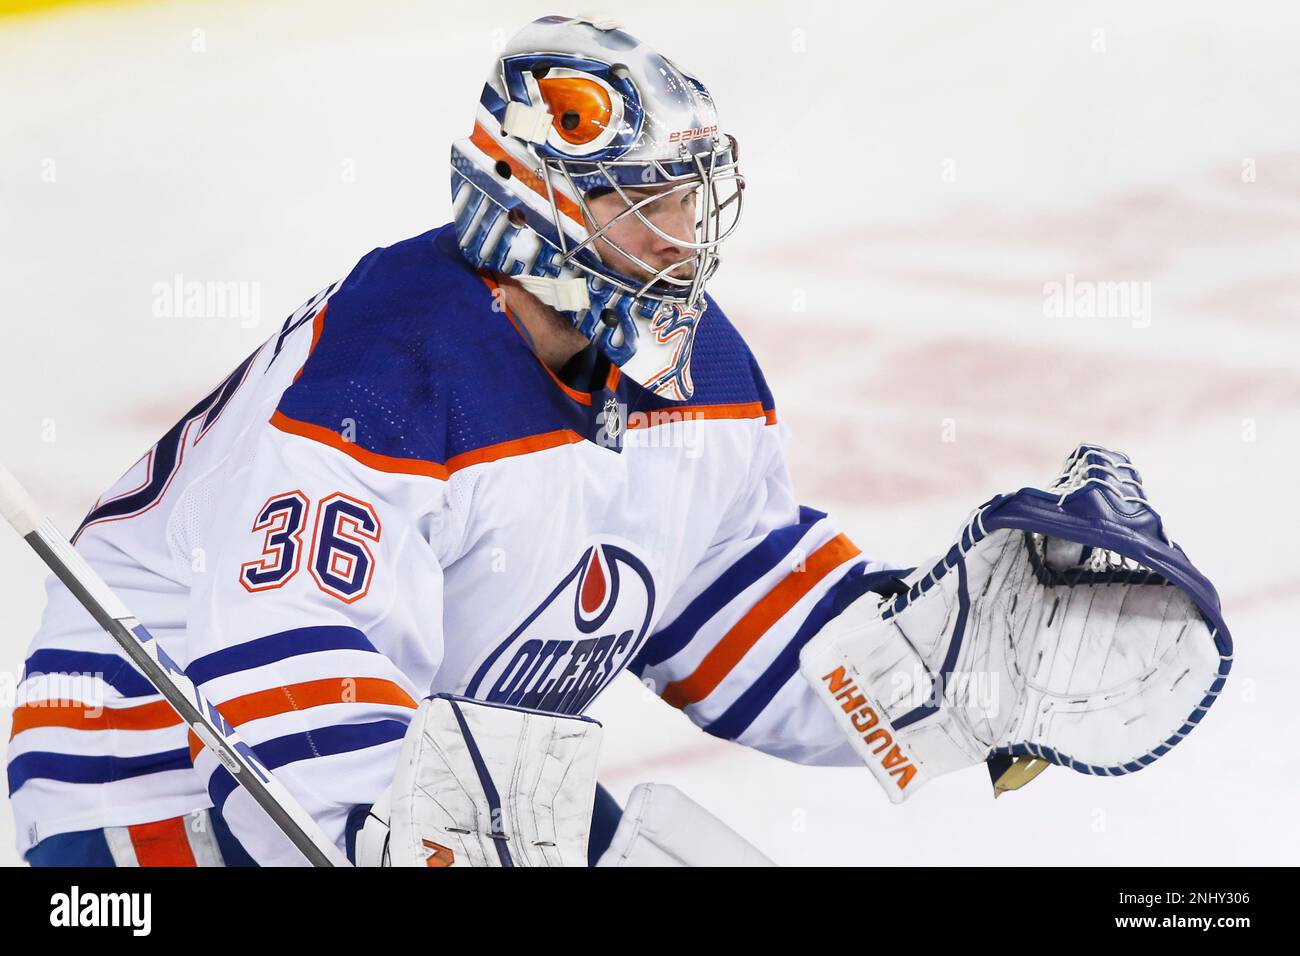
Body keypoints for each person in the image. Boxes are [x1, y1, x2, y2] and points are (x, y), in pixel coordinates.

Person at [10, 15, 1229, 867]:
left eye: (689, 202)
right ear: (535, 198)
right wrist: (390, 831)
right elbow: (285, 685)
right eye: (643, 202)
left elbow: (732, 605)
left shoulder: (694, 377)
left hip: (430, 781)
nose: (681, 237)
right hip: (138, 796)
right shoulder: (382, 377)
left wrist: (946, 671)